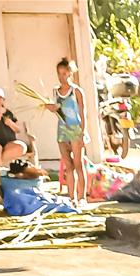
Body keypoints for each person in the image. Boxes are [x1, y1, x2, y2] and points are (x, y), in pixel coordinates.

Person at [46, 60, 86, 200]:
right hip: (62, 130)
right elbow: (58, 111)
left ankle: (82, 198)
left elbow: (82, 113)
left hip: (75, 129)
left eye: (64, 73)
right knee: (68, 166)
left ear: (70, 73)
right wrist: (51, 109)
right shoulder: (55, 91)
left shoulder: (76, 91)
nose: (62, 76)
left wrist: (83, 132)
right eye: (59, 73)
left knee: (78, 164)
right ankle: (71, 198)